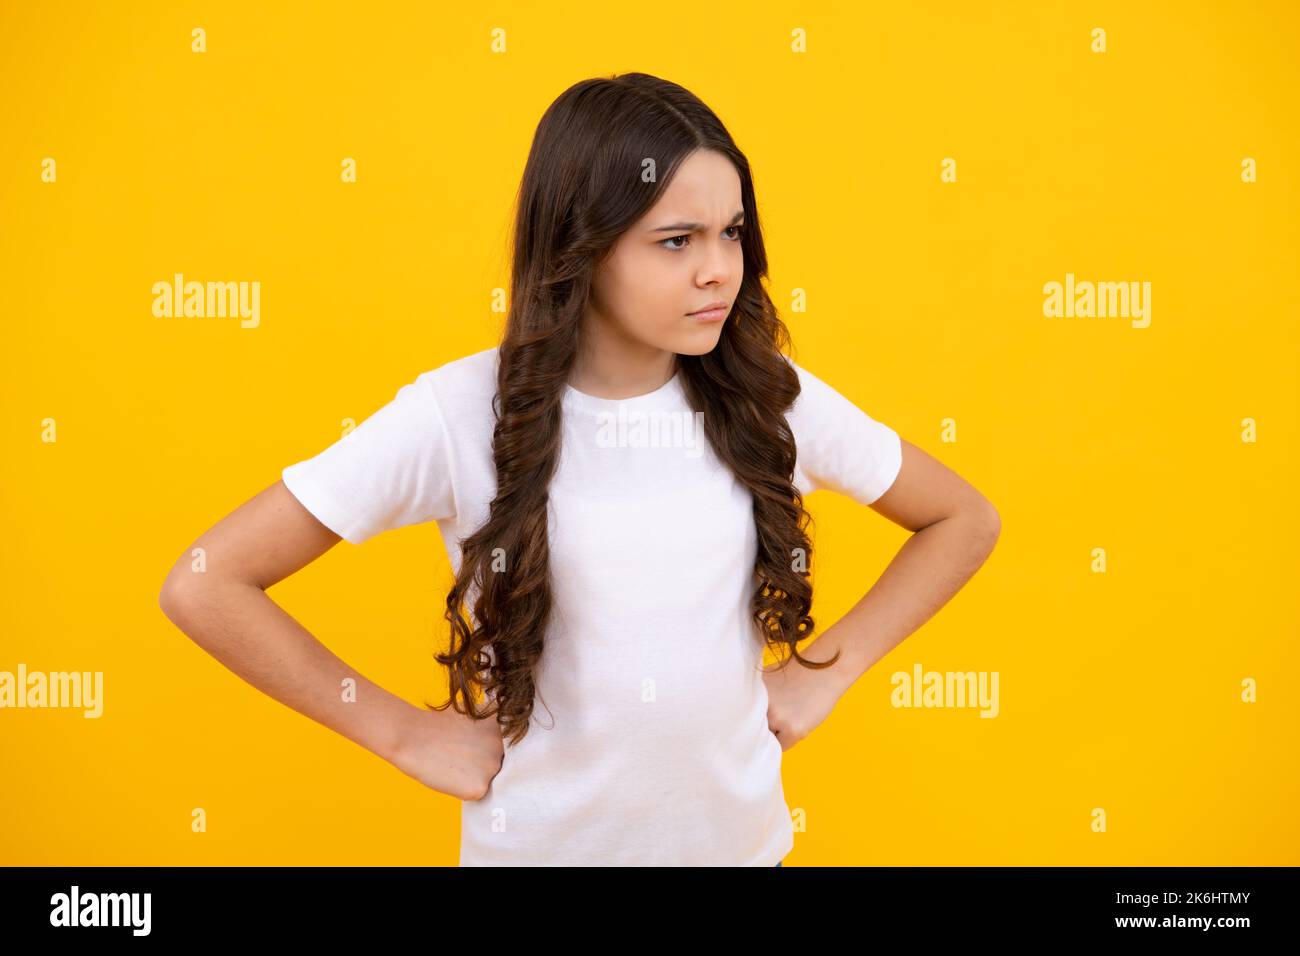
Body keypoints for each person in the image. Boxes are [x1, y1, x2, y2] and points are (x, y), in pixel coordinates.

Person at [158, 72, 1001, 867]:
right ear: (582, 249)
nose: (719, 269)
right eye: (676, 241)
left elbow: (964, 518)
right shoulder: (456, 414)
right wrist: (402, 735)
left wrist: (828, 676)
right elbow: (206, 581)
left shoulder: (767, 398)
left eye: (732, 232)